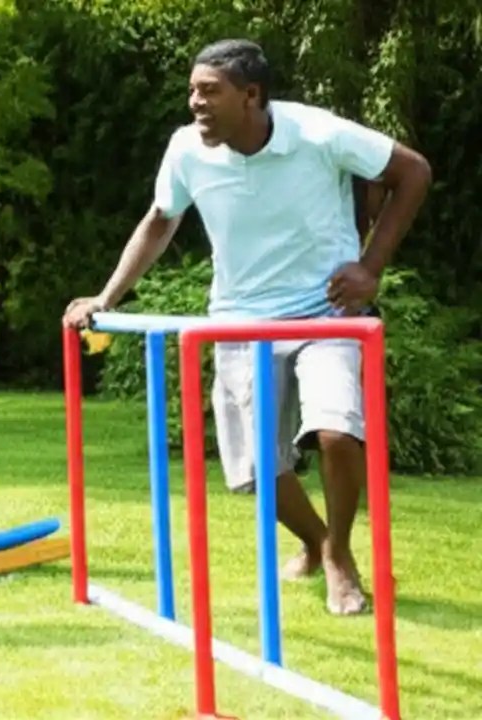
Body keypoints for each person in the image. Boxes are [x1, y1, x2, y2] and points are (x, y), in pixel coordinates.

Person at [63, 39, 431, 615]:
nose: (195, 103)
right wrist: (107, 295)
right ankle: (318, 542)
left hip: (324, 312)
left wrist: (370, 267)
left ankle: (340, 559)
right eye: (192, 91)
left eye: (209, 91)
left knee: (336, 431)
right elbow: (160, 222)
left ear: (251, 95)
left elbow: (413, 171)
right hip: (238, 319)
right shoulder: (186, 150)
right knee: (259, 469)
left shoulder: (317, 133)